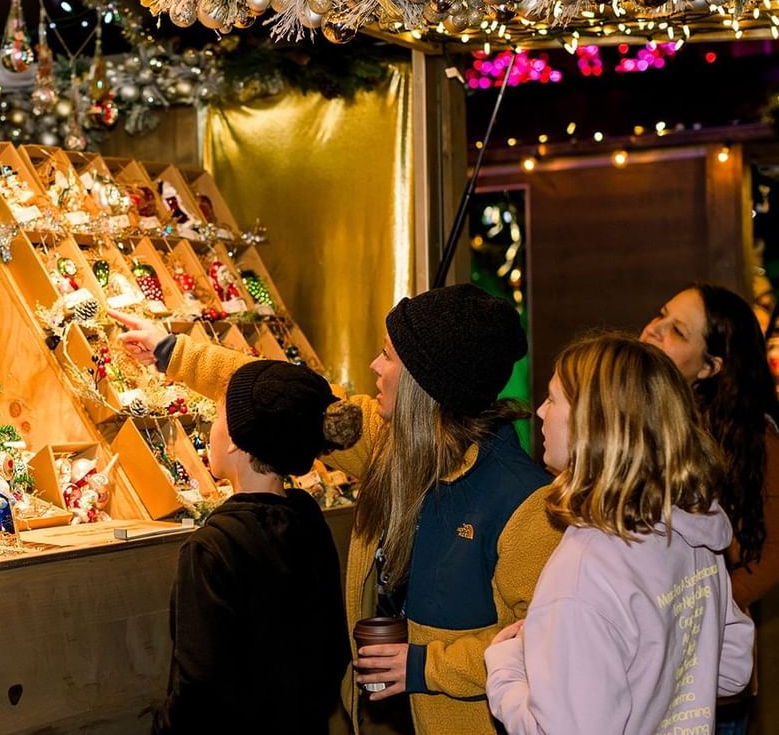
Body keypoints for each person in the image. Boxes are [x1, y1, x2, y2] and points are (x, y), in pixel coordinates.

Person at [116, 283, 563, 735]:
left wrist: (426, 666)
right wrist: (172, 352)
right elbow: (276, 396)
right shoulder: (387, 444)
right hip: (374, 717)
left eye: (387, 356)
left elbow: (544, 644)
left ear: (425, 382)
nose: (374, 366)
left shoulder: (524, 503)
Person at [484, 333, 754, 735]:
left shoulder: (582, 572)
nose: (540, 411)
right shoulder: (690, 528)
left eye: (554, 398)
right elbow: (732, 668)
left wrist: (507, 665)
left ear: (595, 425)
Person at [152, 359, 357, 734]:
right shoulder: (310, 522)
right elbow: (331, 652)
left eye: (215, 415)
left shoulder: (211, 548)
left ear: (235, 438)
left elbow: (198, 685)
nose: (209, 427)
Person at [640, 284, 779, 733]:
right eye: (660, 314)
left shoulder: (754, 443)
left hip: (705, 667)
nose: (653, 330)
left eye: (676, 330)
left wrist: (699, 605)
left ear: (709, 367)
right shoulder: (636, 416)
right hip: (639, 654)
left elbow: (772, 556)